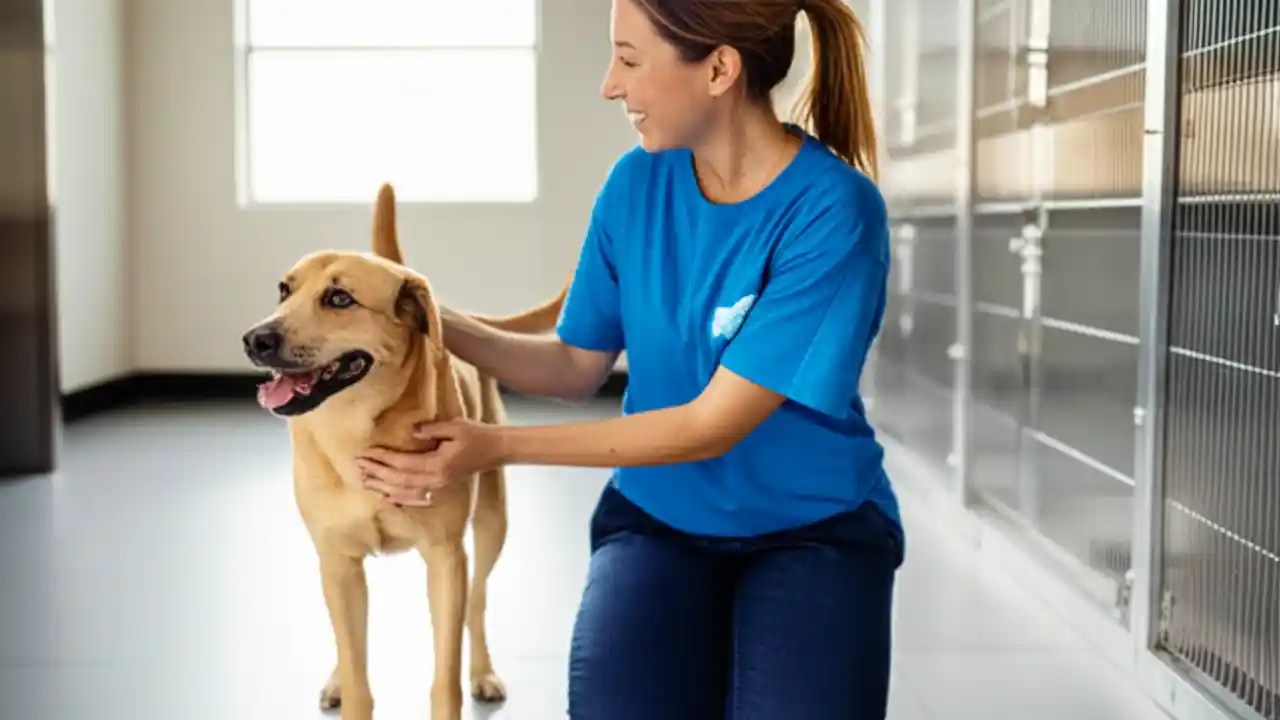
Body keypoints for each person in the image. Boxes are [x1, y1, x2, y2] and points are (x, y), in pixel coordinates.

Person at [356, 0, 905, 716]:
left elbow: (712, 424)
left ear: (718, 68)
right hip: (660, 518)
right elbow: (575, 364)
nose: (611, 85)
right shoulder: (635, 184)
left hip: (816, 528)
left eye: (630, 58)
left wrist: (495, 447)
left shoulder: (833, 211)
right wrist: (430, 319)